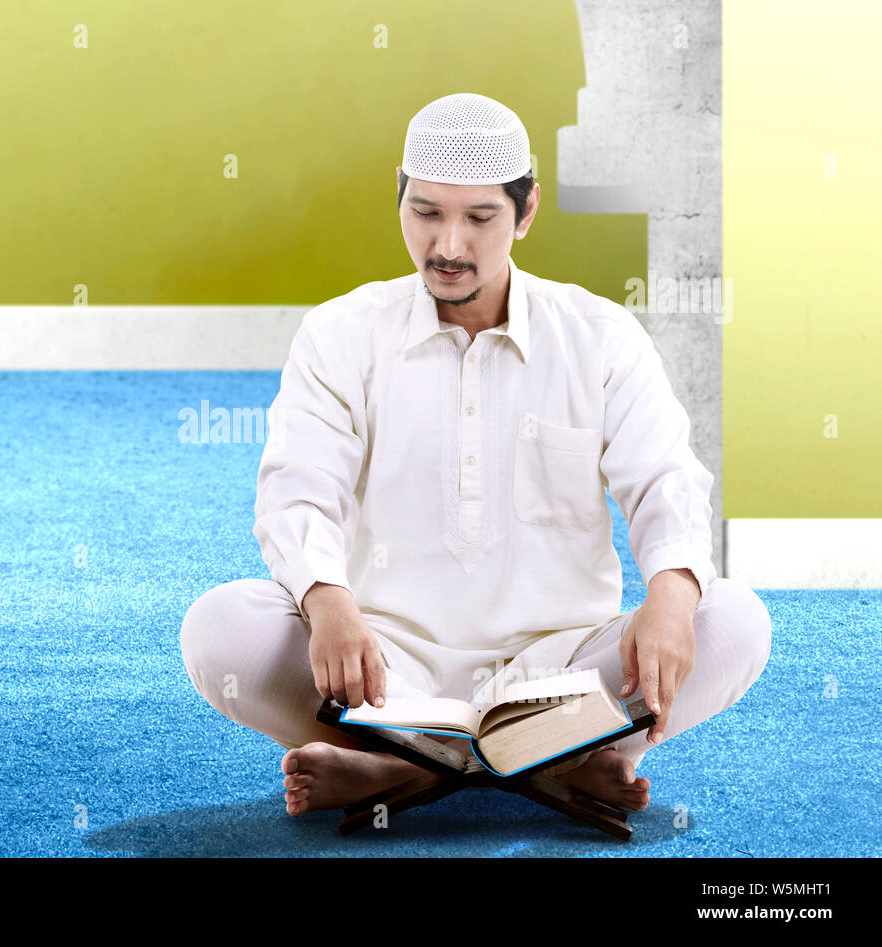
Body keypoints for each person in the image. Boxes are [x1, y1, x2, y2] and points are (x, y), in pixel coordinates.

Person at [180, 92, 771, 819]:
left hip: (561, 671)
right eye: (425, 212)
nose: (448, 246)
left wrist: (673, 599)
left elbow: (665, 480)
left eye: (479, 218)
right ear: (399, 193)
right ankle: (552, 763)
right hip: (382, 668)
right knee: (219, 627)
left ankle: (402, 769)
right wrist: (326, 599)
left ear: (526, 212)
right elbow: (299, 490)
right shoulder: (340, 334)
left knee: (734, 618)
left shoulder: (599, 335)